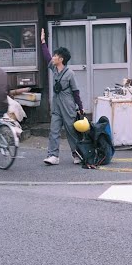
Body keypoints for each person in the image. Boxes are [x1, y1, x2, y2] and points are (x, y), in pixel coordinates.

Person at [40, 27, 85, 165]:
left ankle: (77, 154)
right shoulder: (54, 69)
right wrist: (43, 42)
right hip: (57, 104)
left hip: (68, 105)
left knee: (71, 131)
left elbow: (76, 91)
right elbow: (46, 56)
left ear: (61, 59)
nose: (53, 57)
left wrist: (80, 107)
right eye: (53, 55)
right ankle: (53, 156)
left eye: (55, 56)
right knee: (54, 130)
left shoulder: (70, 73)